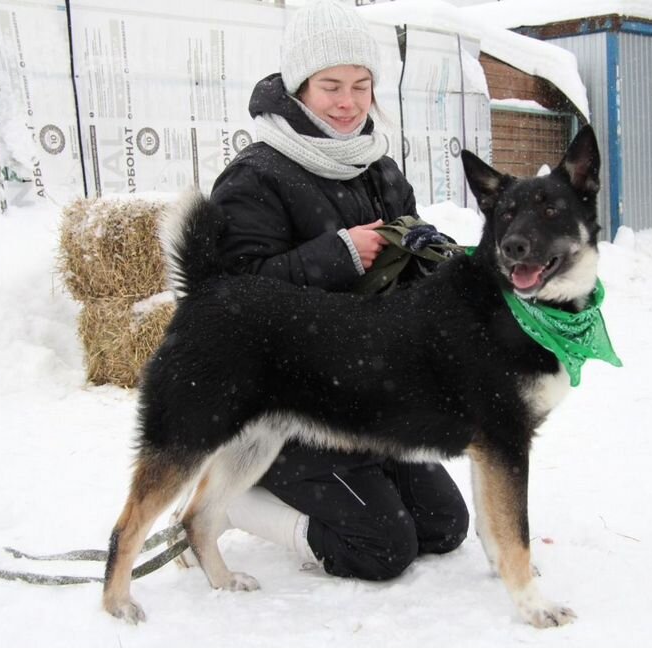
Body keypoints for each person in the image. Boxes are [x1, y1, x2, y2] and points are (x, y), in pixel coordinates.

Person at [183, 0, 469, 582]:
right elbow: (225, 301)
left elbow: (404, 270)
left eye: (361, 86)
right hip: (288, 406)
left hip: (369, 394)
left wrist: (440, 262)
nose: (348, 103)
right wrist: (333, 257)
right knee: (381, 549)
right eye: (330, 86)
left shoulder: (379, 168)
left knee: (443, 527)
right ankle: (238, 500)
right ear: (299, 89)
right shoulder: (257, 174)